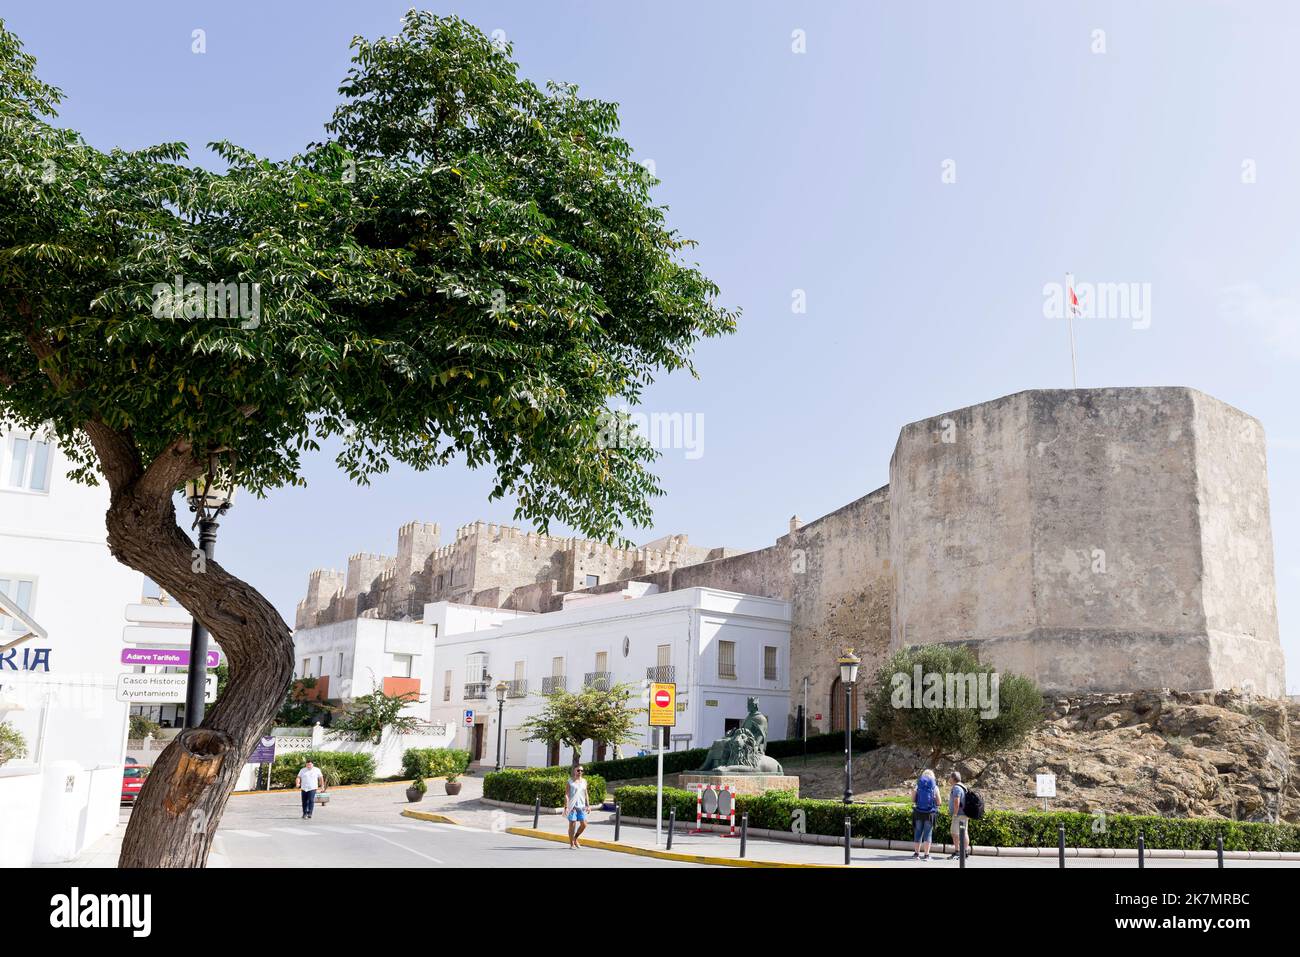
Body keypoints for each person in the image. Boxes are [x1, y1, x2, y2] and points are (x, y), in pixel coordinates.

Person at [911, 768, 940, 860]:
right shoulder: (934, 787)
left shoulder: (918, 785)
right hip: (930, 813)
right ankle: (926, 855)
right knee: (928, 834)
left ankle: (916, 854)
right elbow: (939, 802)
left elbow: (913, 799)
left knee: (918, 832)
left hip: (919, 812)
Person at [566, 764, 590, 848]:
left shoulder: (584, 781)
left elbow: (586, 793)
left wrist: (588, 805)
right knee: (572, 825)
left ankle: (575, 838)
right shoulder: (570, 781)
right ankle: (571, 843)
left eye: (581, 771)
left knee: (584, 824)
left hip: (582, 806)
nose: (580, 772)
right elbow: (567, 794)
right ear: (574, 771)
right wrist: (566, 806)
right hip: (572, 806)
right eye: (578, 770)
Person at [947, 771, 968, 859]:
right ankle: (965, 852)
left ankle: (957, 851)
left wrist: (955, 814)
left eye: (950, 777)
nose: (949, 779)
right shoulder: (963, 786)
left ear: (953, 778)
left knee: (954, 832)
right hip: (964, 814)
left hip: (959, 815)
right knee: (964, 832)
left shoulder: (956, 788)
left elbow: (957, 801)